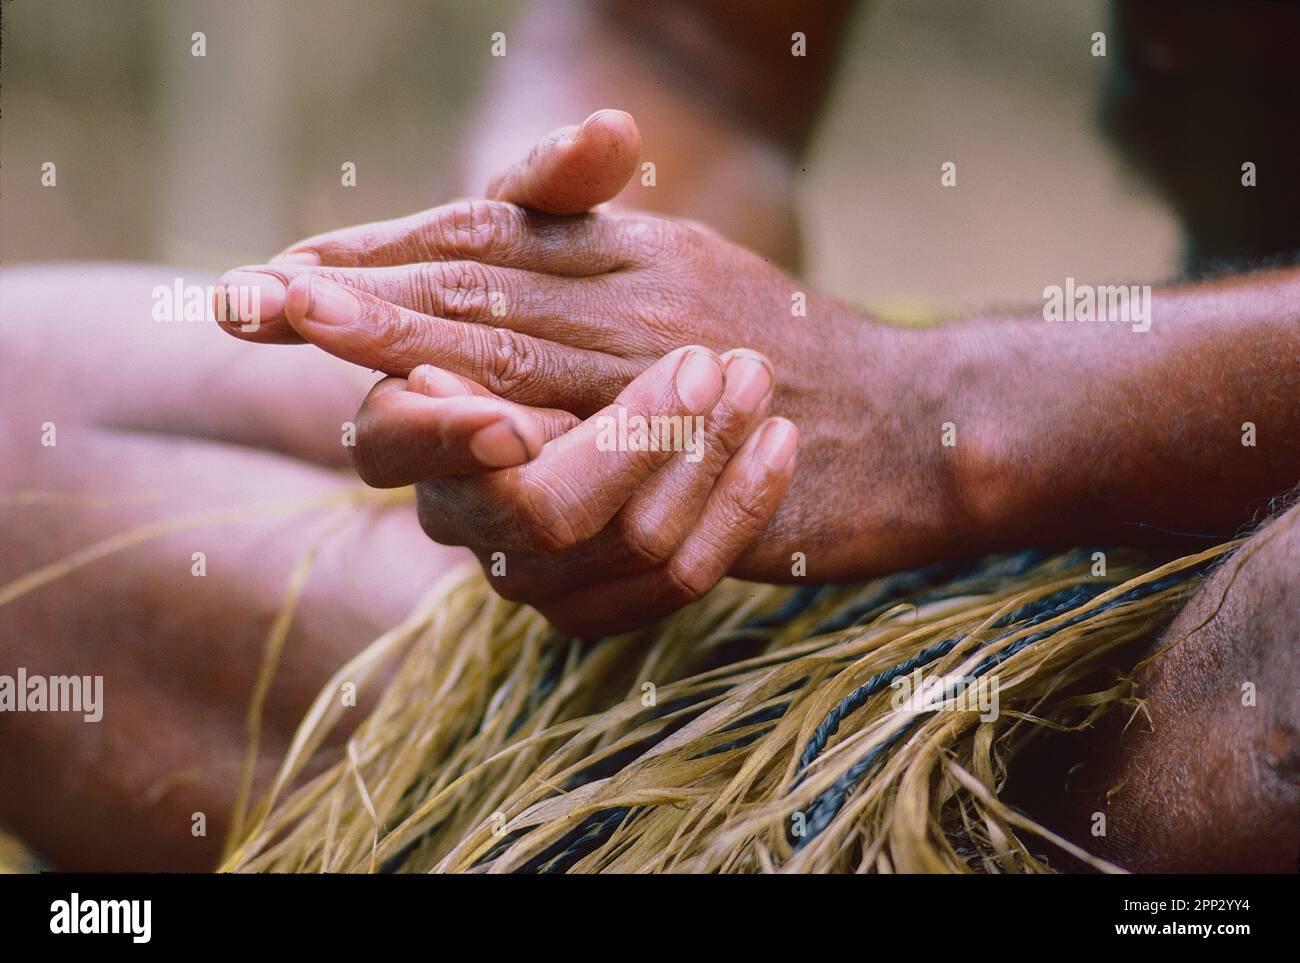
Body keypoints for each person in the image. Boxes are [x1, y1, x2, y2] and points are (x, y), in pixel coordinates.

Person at [1, 0, 1296, 872]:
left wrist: (941, 417)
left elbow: (936, 417)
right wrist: (561, 333)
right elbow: (675, 45)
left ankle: (967, 816)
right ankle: (702, 811)